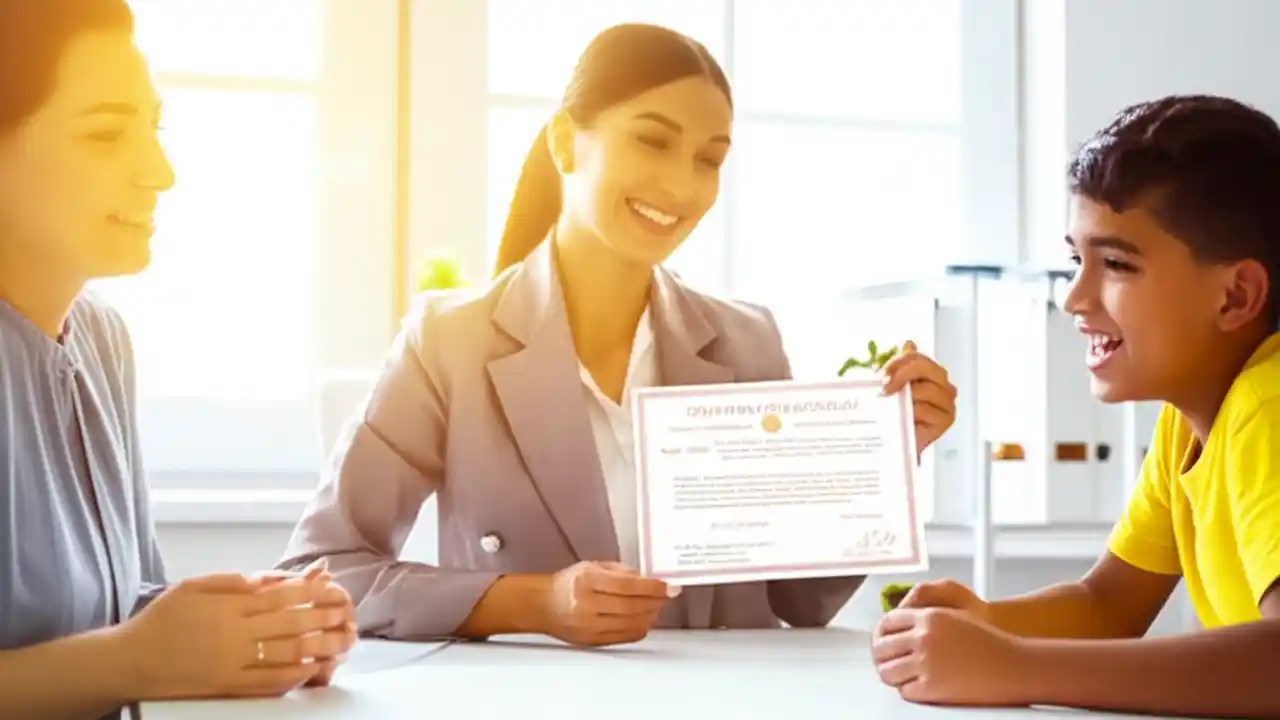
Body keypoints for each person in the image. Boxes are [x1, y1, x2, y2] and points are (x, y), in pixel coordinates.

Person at [279, 22, 958, 647]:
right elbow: (322, 573)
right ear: (564, 141)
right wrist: (536, 603)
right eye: (652, 139)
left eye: (709, 158)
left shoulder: (747, 340)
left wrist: (882, 456)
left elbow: (801, 600)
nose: (681, 183)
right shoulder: (446, 343)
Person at [0, 2, 357, 717]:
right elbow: (120, 654)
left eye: (152, 130)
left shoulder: (103, 342)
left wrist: (266, 625)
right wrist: (136, 659)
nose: (158, 173)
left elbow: (115, 611)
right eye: (105, 135)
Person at [872, 94, 1280, 718]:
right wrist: (986, 624)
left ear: (1236, 296)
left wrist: (1013, 666)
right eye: (1075, 260)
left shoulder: (1267, 407)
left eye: (1116, 263)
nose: (1074, 299)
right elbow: (1109, 605)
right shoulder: (1190, 418)